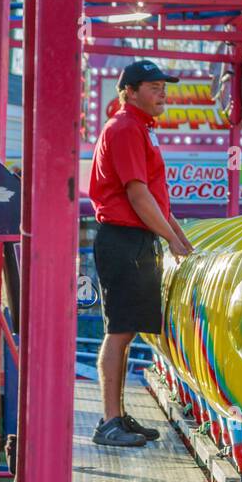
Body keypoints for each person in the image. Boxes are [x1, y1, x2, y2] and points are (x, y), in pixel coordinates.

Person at [89, 59, 195, 447]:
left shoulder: (140, 129)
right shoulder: (126, 128)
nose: (162, 92)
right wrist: (170, 239)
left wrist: (178, 238)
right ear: (129, 92)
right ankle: (109, 422)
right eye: (153, 87)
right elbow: (136, 195)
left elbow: (153, 199)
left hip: (135, 239)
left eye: (163, 86)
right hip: (123, 239)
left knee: (126, 330)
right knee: (118, 332)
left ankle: (116, 416)